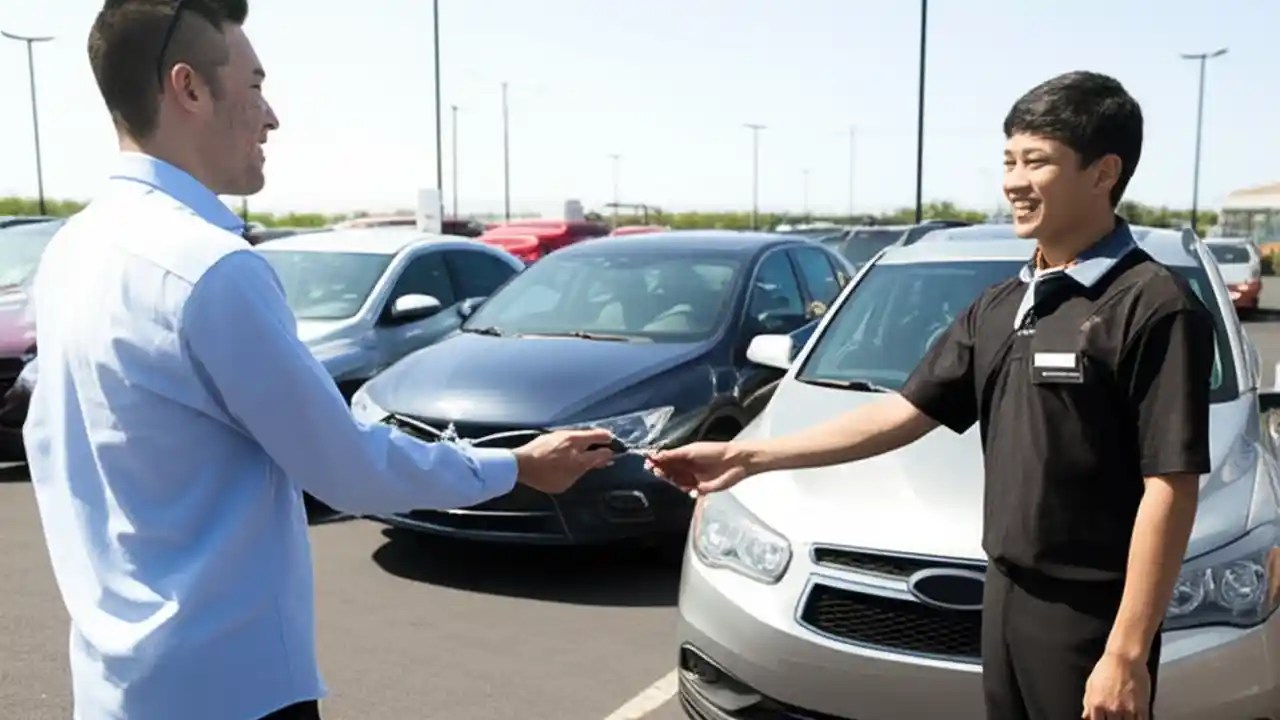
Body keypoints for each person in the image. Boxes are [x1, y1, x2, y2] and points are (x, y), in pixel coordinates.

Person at [25, 2, 616, 719]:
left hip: (114, 684)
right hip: (231, 690)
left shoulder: (71, 252)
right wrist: (518, 466)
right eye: (254, 86)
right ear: (188, 89)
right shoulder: (208, 267)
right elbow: (348, 467)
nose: (271, 117)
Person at [648, 70, 1214, 720]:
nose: (1013, 182)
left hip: (1090, 611)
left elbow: (1170, 485)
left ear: (1103, 172)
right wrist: (750, 458)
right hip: (1003, 593)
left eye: (1037, 162)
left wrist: (1126, 651)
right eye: (1008, 160)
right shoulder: (1003, 305)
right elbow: (903, 411)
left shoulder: (1152, 305)